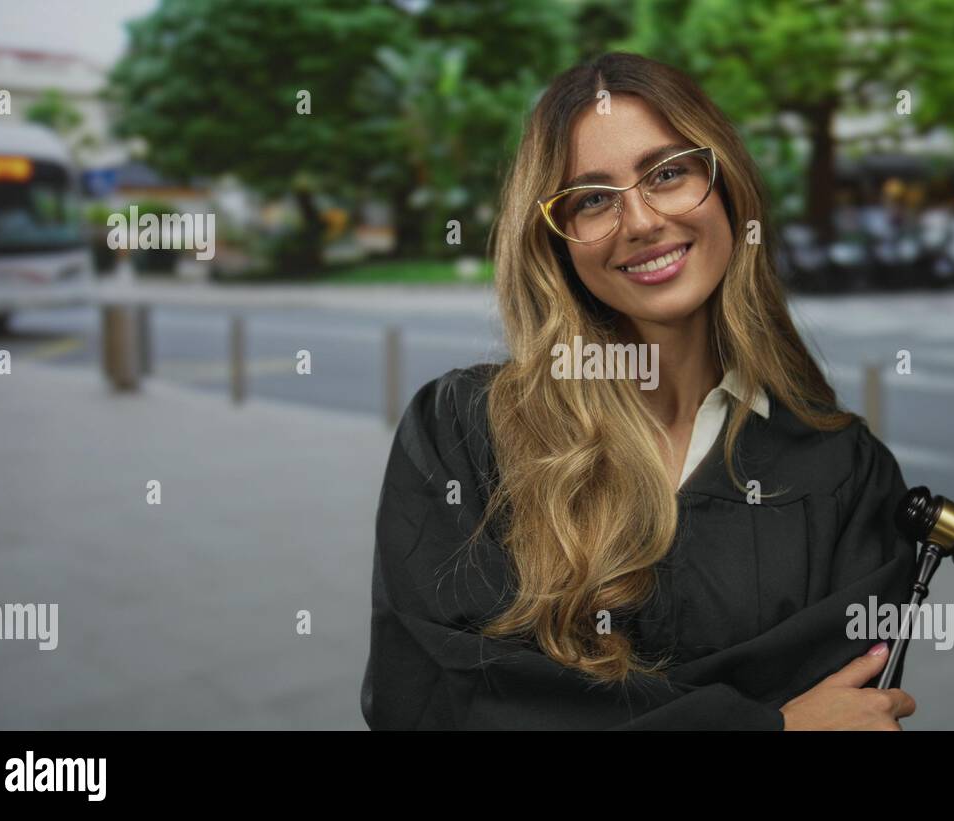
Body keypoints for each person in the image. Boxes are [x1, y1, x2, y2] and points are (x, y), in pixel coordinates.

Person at [360, 52, 919, 730]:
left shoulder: (847, 472)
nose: (643, 221)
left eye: (668, 172)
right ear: (554, 241)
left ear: (727, 185)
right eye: (592, 199)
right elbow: (430, 703)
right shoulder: (462, 433)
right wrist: (768, 723)